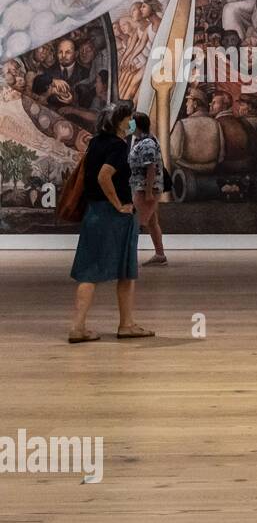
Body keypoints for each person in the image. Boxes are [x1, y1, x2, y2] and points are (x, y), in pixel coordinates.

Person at [68, 101, 154, 343]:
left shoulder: (96, 142)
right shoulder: (117, 146)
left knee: (91, 272)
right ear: (118, 121)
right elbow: (104, 176)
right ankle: (122, 324)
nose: (132, 122)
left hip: (94, 213)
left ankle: (82, 326)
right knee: (125, 271)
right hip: (114, 216)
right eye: (129, 118)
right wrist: (119, 205)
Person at [127, 111, 168, 267]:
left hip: (144, 188)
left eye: (131, 122)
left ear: (137, 124)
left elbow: (150, 168)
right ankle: (160, 254)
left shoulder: (147, 144)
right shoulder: (140, 141)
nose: (128, 125)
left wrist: (149, 191)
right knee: (152, 222)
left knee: (134, 223)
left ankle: (127, 258)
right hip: (142, 186)